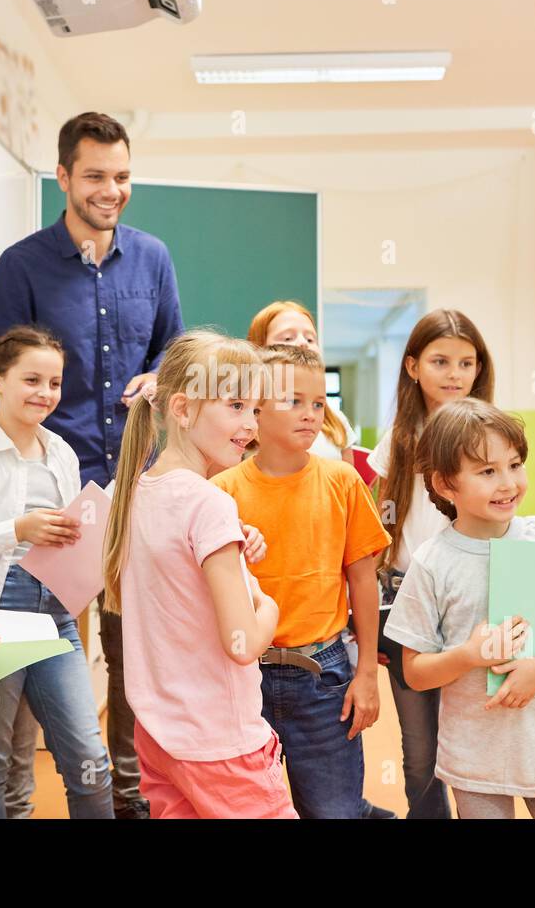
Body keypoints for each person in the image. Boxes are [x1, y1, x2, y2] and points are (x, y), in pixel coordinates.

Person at [0, 111, 183, 818]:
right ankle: (17, 806)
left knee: (136, 664)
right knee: (38, 662)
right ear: (62, 177)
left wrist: (159, 378)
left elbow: (173, 352)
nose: (111, 190)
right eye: (95, 176)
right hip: (52, 501)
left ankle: (132, 806)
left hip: (134, 492)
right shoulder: (23, 264)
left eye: (122, 176)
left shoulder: (153, 258)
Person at [383, 399, 535, 818]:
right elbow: (414, 673)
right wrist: (468, 656)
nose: (508, 483)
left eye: (515, 464)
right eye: (487, 471)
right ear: (446, 484)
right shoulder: (433, 561)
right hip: (476, 761)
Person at [102, 331, 297, 818]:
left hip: (159, 737)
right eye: (235, 406)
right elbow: (242, 643)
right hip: (219, 742)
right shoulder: (210, 502)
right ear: (183, 410)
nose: (250, 425)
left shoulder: (135, 492)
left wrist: (230, 539)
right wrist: (268, 607)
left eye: (254, 409)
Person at [0, 326, 114, 819]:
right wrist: (17, 529)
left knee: (89, 756)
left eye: (54, 383)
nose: (45, 393)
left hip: (55, 613)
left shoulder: (63, 454)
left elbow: (72, 542)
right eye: (32, 380)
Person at [212, 344, 391, 818]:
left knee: (334, 811)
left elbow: (363, 581)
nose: (311, 415)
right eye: (293, 401)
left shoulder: (343, 483)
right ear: (254, 410)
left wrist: (367, 672)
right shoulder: (221, 492)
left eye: (318, 404)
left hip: (325, 676)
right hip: (243, 678)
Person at [369, 308, 494, 818]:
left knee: (474, 740)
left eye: (467, 363)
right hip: (405, 605)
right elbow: (377, 524)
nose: (455, 375)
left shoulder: (490, 433)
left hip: (473, 599)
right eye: (441, 361)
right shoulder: (398, 438)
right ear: (413, 367)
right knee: (420, 752)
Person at [246, 300, 355, 462]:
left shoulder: (336, 420)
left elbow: (349, 481)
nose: (303, 343)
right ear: (260, 349)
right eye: (288, 338)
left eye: (310, 339)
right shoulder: (241, 421)